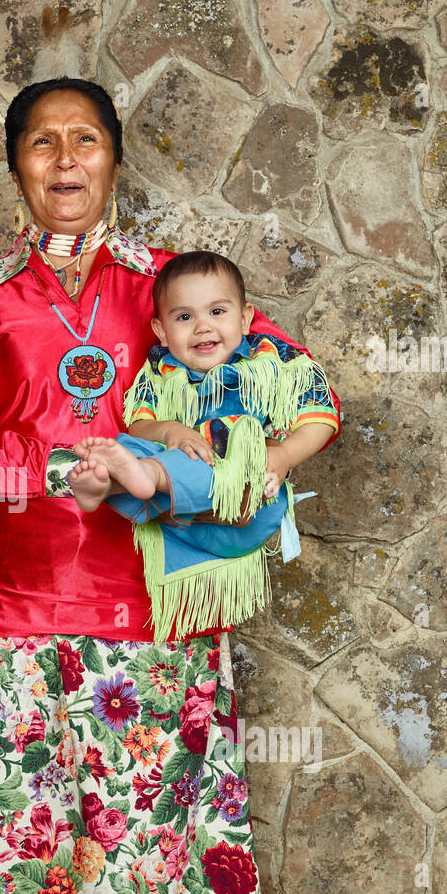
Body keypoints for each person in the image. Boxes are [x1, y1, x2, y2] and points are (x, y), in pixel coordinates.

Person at [0, 77, 340, 894]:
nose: (65, 159)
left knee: (142, 838)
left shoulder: (172, 289)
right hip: (4, 611)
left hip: (146, 610)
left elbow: (300, 391)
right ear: (14, 164)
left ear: (113, 159)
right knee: (13, 839)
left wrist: (249, 465)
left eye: (86, 140)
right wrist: (81, 456)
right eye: (42, 143)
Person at [67, 250, 339, 642]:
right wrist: (170, 430)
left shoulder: (271, 361)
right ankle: (107, 484)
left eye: (217, 312)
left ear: (245, 318)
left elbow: (319, 417)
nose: (201, 327)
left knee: (205, 456)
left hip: (246, 508)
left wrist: (281, 457)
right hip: (181, 524)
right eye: (184, 317)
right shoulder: (161, 372)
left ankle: (134, 480)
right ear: (161, 331)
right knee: (132, 443)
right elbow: (141, 422)